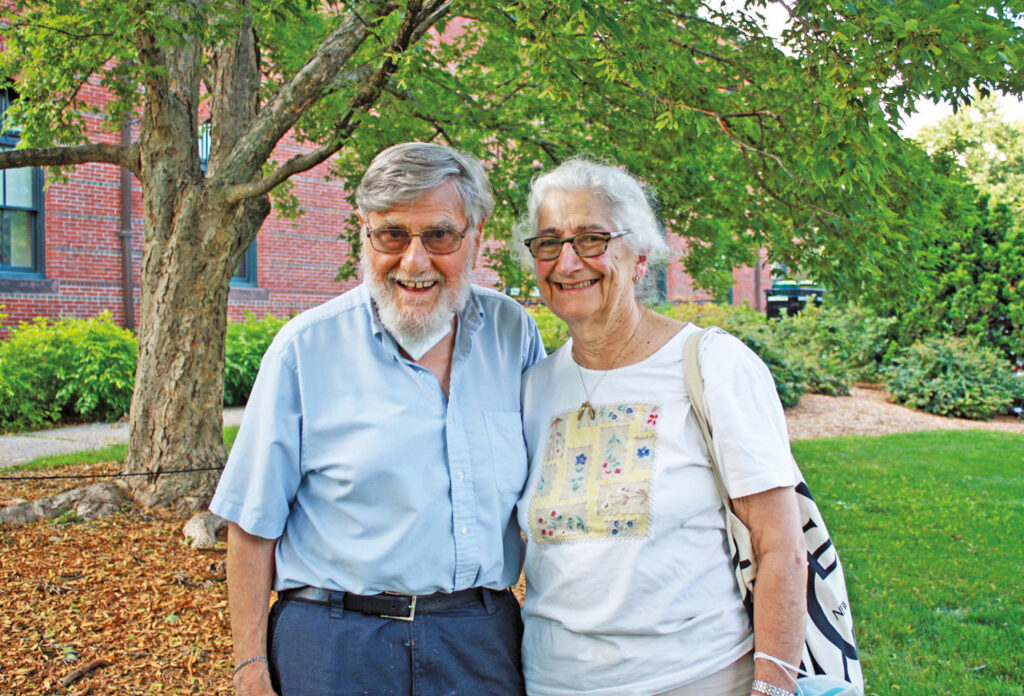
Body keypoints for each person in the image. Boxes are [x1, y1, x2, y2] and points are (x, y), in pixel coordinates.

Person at [210, 142, 545, 696]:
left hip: (480, 639)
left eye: (439, 235)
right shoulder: (305, 350)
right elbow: (251, 525)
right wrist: (249, 668)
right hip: (335, 644)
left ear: (476, 234)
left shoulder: (515, 335)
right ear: (364, 231)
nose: (414, 262)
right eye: (392, 234)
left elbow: (543, 503)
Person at [514, 157, 808, 696]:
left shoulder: (713, 365)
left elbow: (780, 547)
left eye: (591, 239)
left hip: (696, 677)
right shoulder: (534, 387)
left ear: (639, 256)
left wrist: (774, 687)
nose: (567, 261)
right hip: (553, 682)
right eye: (549, 242)